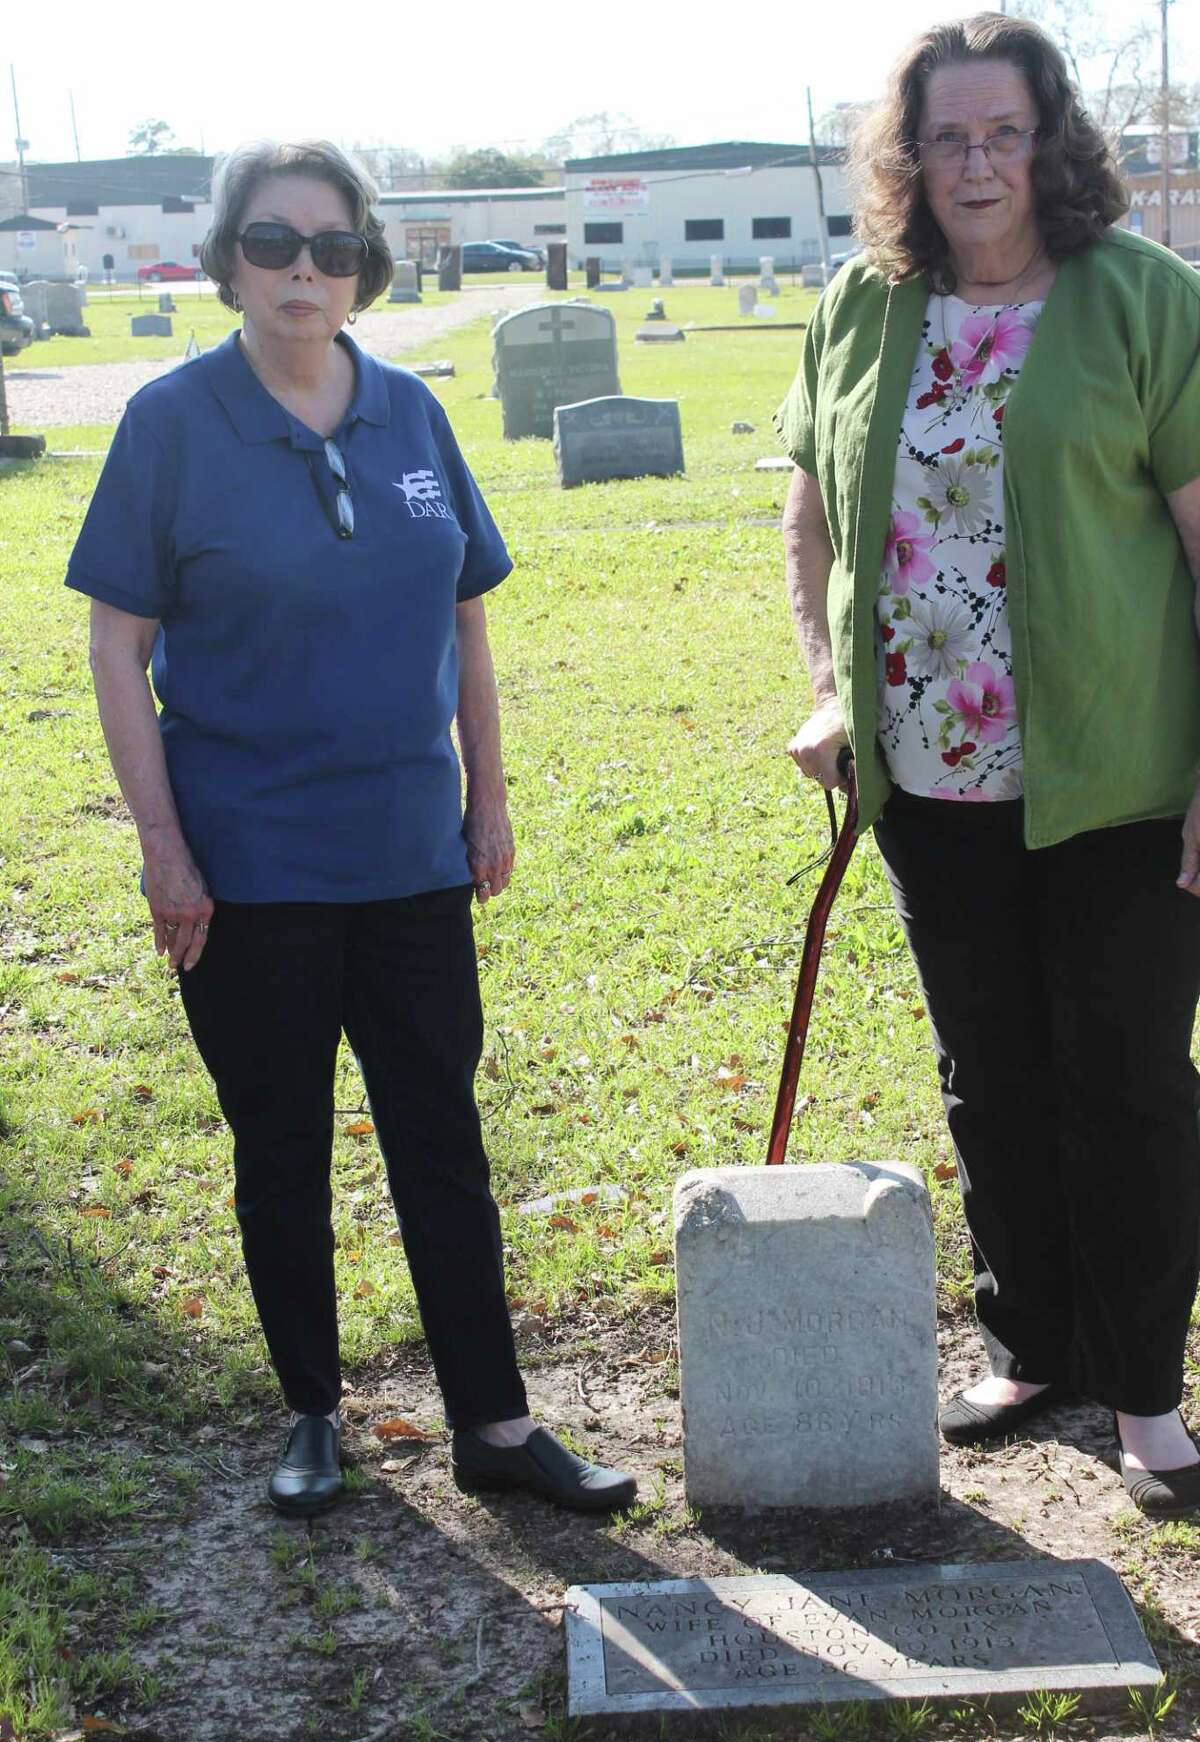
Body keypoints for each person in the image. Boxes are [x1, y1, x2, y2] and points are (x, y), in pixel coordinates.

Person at [67, 140, 636, 1520]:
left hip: (407, 857)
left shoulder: (409, 416)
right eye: (272, 243)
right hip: (249, 866)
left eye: (328, 246)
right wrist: (165, 852)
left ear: (363, 262)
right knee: (283, 1145)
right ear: (229, 261)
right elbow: (115, 647)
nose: (302, 270)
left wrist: (486, 794)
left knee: (441, 1132)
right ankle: (312, 1412)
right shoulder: (172, 424)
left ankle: (494, 1424)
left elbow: (466, 614)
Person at [777, 15, 1200, 1516]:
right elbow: (815, 513)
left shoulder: (1145, 302)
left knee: (1132, 1079)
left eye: (1002, 134)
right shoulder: (860, 306)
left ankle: (1147, 1390)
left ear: (1049, 142)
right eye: (945, 138)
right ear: (908, 156)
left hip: (1122, 780)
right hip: (934, 784)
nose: (975, 165)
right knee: (992, 1077)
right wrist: (831, 693)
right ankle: (1033, 1348)